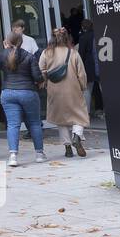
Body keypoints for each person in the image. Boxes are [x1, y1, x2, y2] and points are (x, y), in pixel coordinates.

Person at [40, 27, 89, 157]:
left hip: (54, 90)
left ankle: (67, 147)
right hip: (73, 89)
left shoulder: (46, 53)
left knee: (61, 118)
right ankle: (77, 136)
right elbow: (82, 74)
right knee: (80, 115)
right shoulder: (73, 53)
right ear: (67, 38)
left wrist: (46, 82)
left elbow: (42, 70)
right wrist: (82, 87)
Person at [0, 32, 45, 166]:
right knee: (34, 123)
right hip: (27, 92)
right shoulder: (29, 56)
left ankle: (13, 156)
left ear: (7, 41)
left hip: (7, 93)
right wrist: (41, 80)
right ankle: (39, 154)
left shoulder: (2, 55)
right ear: (21, 42)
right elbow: (37, 77)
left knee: (13, 124)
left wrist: (5, 48)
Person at [78, 19, 100, 119]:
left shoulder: (83, 37)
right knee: (102, 88)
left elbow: (81, 55)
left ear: (83, 27)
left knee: (87, 90)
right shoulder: (98, 35)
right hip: (100, 66)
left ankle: (86, 114)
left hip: (89, 67)